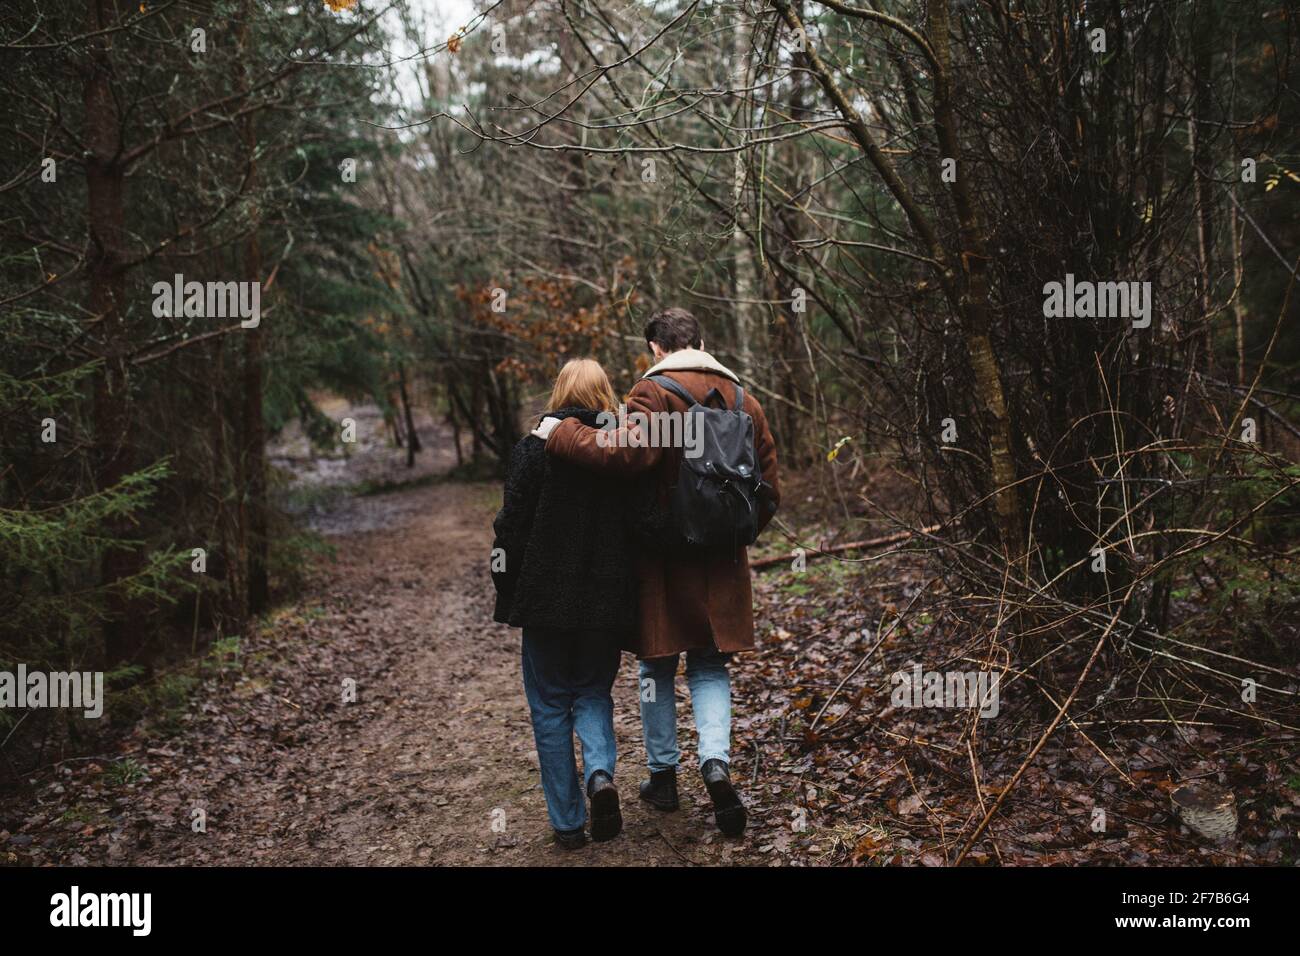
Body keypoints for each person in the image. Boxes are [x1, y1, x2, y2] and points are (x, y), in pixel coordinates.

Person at [533, 308, 780, 837]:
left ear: (655, 348)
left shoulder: (654, 393)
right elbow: (769, 490)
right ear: (702, 343)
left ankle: (663, 778)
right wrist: (731, 534)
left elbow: (624, 454)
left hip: (665, 560)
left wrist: (563, 433)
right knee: (710, 666)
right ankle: (715, 764)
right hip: (722, 563)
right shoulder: (745, 399)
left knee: (657, 668)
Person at [491, 358, 638, 849]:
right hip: (605, 598)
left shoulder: (532, 449)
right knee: (592, 692)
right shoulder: (620, 450)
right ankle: (599, 775)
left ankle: (568, 824)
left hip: (544, 600)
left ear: (558, 393)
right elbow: (640, 524)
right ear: (605, 394)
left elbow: (509, 526)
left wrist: (508, 587)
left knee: (550, 705)